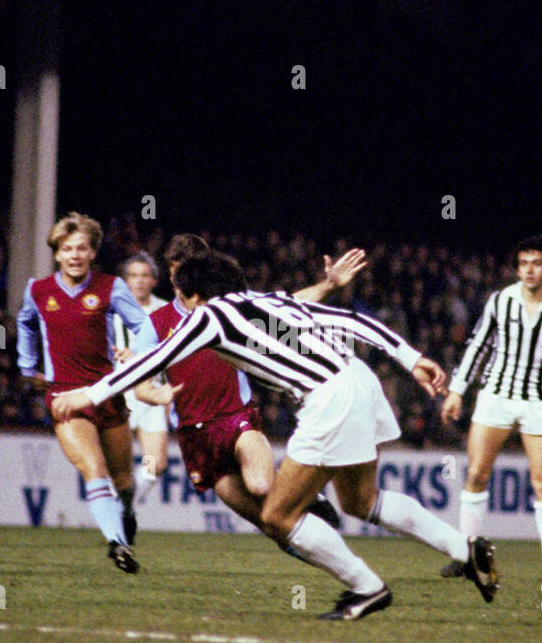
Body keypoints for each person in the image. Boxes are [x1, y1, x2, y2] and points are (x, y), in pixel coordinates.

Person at [51, 251, 498, 621]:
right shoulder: (268, 303)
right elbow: (350, 322)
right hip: (359, 381)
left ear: (192, 295)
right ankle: (467, 549)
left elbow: (153, 361)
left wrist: (84, 395)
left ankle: (368, 588)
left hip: (329, 400)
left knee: (277, 517)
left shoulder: (210, 316)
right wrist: (411, 356)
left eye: (184, 297)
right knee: (361, 502)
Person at [129, 234, 364, 541]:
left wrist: (330, 285)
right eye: (174, 272)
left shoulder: (232, 307)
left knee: (262, 487)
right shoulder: (157, 323)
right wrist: (155, 394)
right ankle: (321, 553)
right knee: (269, 522)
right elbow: (138, 385)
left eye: (187, 271)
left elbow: (287, 307)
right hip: (194, 434)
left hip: (236, 415)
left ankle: (306, 499)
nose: (179, 280)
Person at [440, 236, 542, 583]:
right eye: (523, 263)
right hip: (495, 395)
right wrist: (457, 392)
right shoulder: (500, 301)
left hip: (539, 400)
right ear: (517, 268)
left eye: (537, 263)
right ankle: (466, 556)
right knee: (475, 475)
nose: (529, 269)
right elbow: (477, 345)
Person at [17, 213, 157, 573]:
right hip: (65, 397)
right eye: (67, 249)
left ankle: (126, 514)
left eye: (82, 248)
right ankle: (117, 544)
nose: (75, 255)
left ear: (93, 253)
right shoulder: (38, 290)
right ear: (57, 254)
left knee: (123, 481)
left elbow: (146, 326)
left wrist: (136, 351)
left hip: (105, 395)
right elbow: (25, 323)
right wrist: (27, 365)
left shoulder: (111, 287)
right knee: (94, 469)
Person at [111, 252, 170, 503]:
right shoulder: (111, 310)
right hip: (119, 393)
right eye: (134, 275)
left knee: (154, 463)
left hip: (152, 392)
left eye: (145, 275)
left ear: (154, 280)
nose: (140, 281)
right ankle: (119, 510)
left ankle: (125, 508)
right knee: (116, 469)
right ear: (125, 281)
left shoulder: (165, 310)